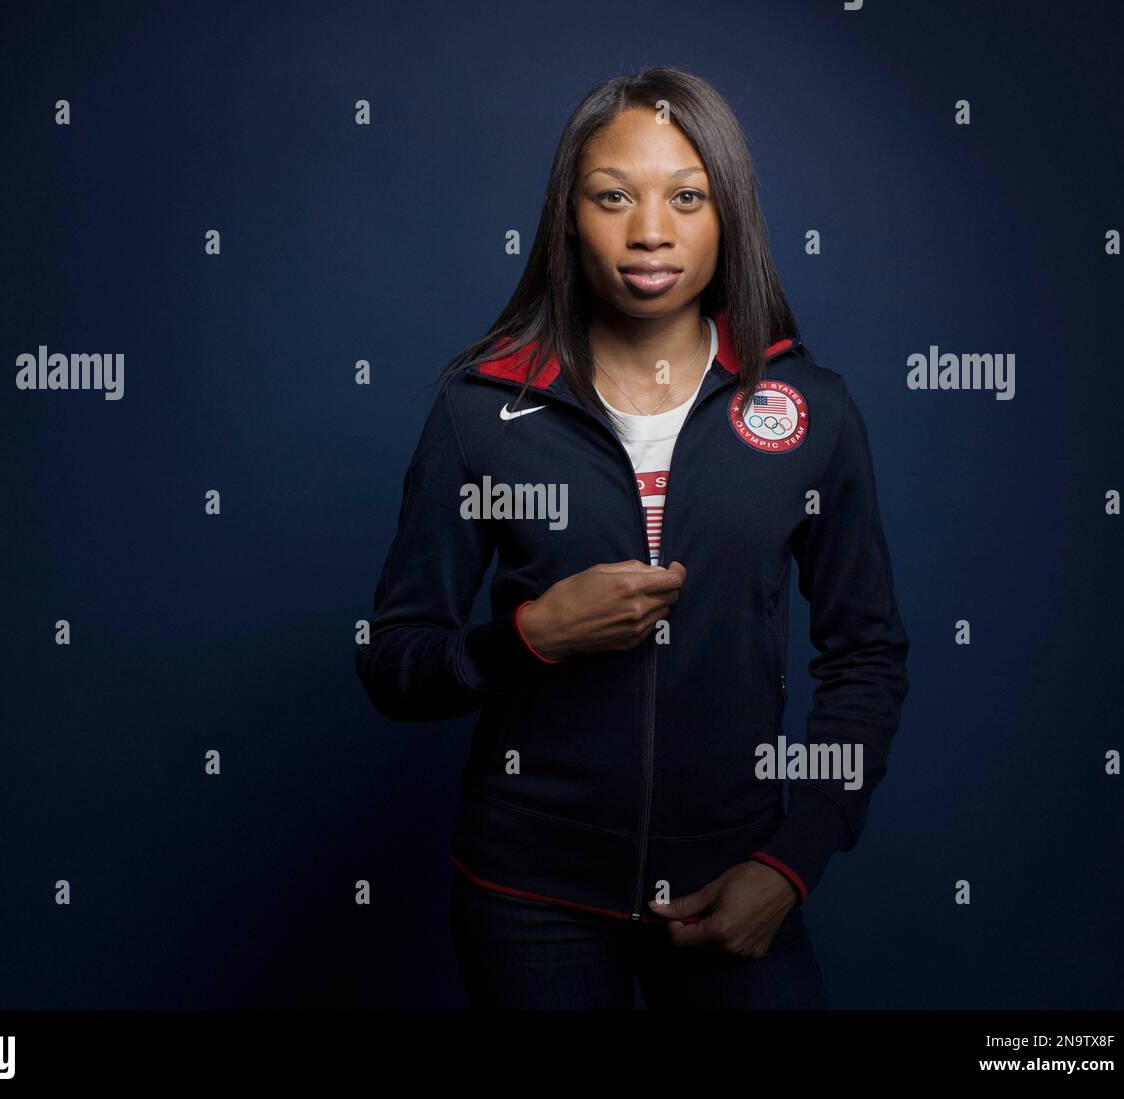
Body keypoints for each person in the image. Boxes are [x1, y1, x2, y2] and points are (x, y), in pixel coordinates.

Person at [354, 66, 910, 1009]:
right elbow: (393, 661)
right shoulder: (482, 410)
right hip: (528, 893)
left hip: (737, 876)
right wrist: (531, 637)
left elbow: (866, 653)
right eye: (613, 196)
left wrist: (792, 859)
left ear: (727, 213)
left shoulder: (807, 407)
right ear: (568, 215)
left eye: (687, 197)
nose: (649, 230)